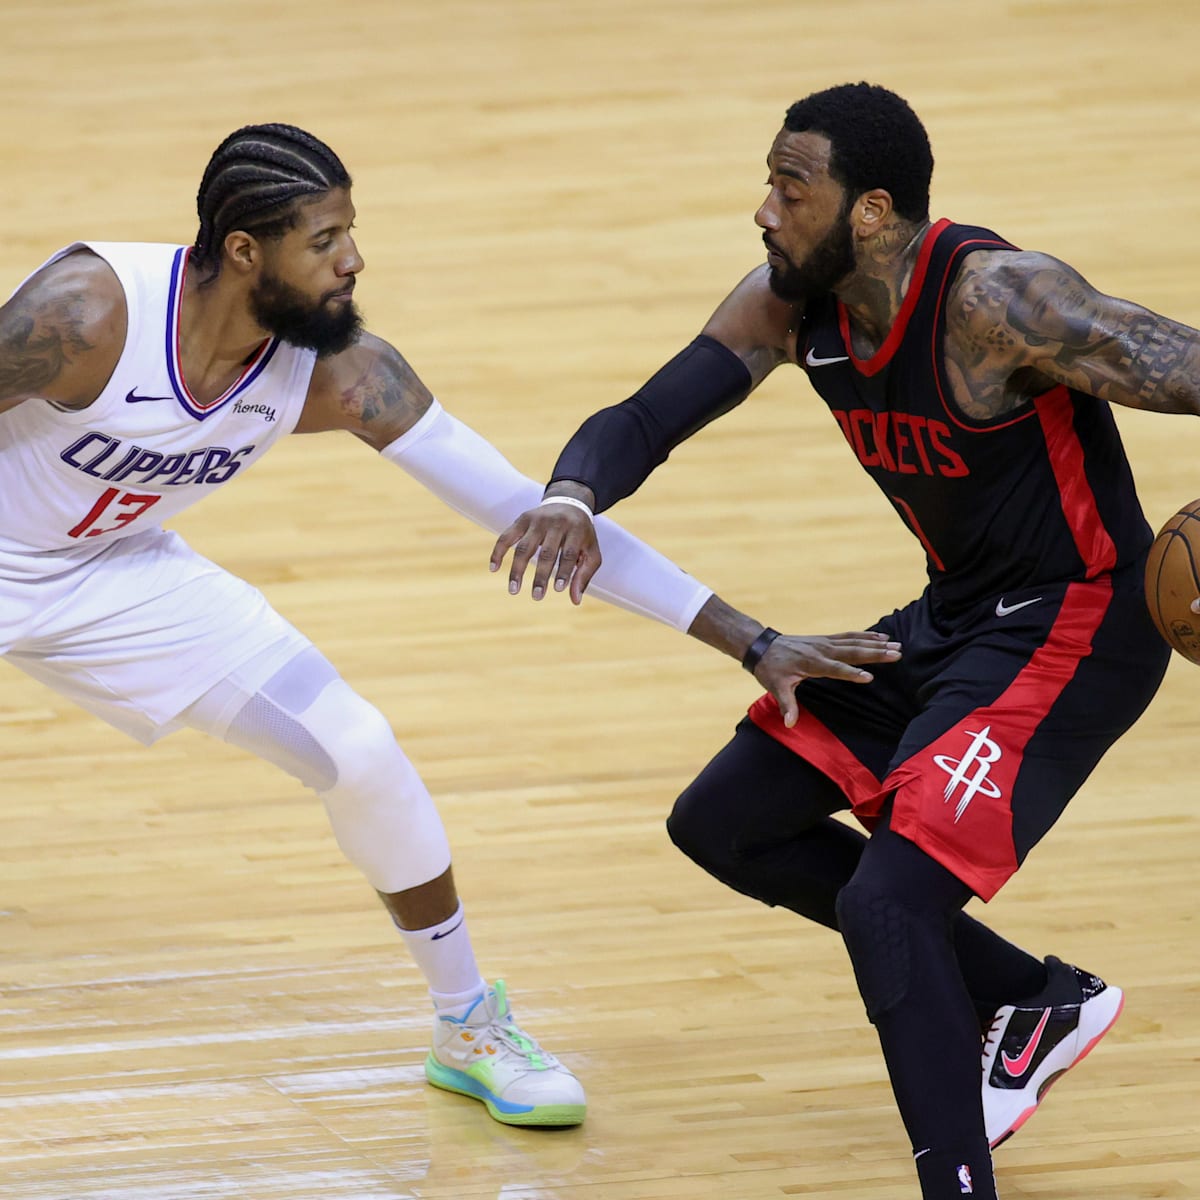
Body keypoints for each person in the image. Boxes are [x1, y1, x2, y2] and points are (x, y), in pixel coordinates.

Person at [0, 122, 900, 1130]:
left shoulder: (338, 373)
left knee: (357, 750)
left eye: (351, 232)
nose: (354, 261)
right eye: (325, 240)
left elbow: (531, 512)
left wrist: (752, 640)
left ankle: (467, 1026)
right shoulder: (87, 316)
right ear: (244, 250)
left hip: (116, 571)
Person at [490, 82, 1187, 1196]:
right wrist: (573, 494)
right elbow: (647, 417)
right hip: (956, 616)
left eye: (790, 187)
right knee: (724, 821)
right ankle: (1034, 998)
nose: (765, 210)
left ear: (870, 211)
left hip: (1081, 623)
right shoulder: (790, 305)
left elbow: (1174, 359)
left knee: (887, 903)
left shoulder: (997, 301)